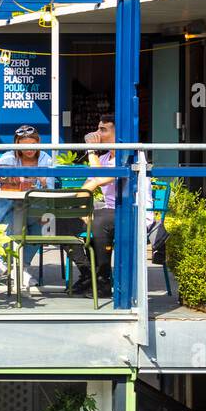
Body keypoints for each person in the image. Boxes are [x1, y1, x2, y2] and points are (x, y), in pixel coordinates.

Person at [0, 125, 56, 291]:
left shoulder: (45, 159)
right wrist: (19, 179)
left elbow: (50, 185)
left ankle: (18, 266)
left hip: (37, 208)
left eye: (32, 145)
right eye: (24, 146)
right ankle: (13, 266)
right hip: (9, 208)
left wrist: (41, 181)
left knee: (46, 225)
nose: (29, 150)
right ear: (17, 145)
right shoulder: (8, 157)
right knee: (14, 220)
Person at [63, 115, 118, 296]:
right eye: (97, 128)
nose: (97, 134)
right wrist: (80, 209)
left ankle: (103, 280)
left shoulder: (126, 158)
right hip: (108, 210)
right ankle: (87, 273)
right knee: (62, 218)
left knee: (99, 221)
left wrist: (92, 151)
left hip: (129, 210)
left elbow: (99, 179)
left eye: (103, 130)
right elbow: (85, 189)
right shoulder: (103, 160)